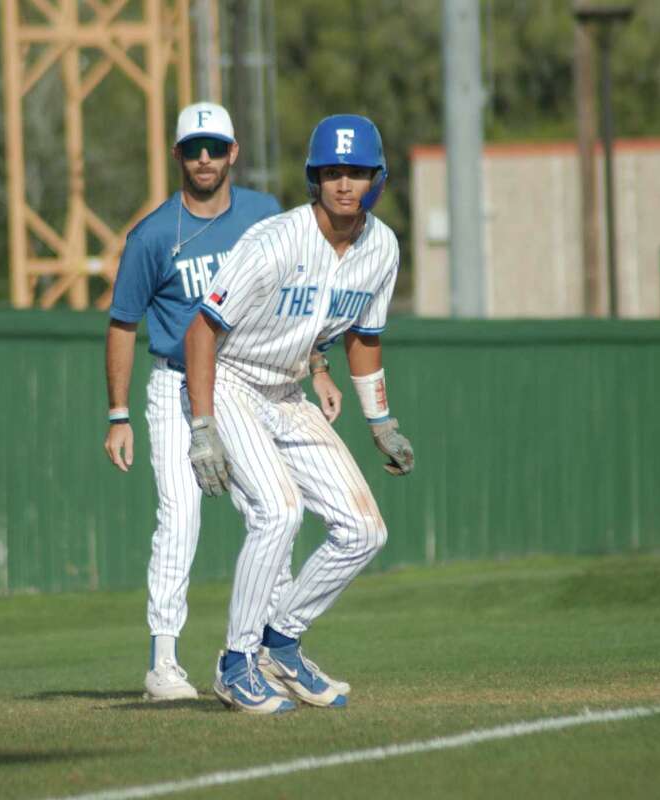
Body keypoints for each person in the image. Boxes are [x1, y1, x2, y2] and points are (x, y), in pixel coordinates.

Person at [104, 102, 344, 702]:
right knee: (180, 517)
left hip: (245, 382)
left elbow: (303, 294)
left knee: (274, 509)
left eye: (214, 147)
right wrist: (118, 415)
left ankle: (265, 650)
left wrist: (318, 366)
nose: (204, 158)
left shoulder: (267, 215)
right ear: (177, 155)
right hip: (175, 383)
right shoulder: (154, 234)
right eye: (193, 148)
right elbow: (122, 323)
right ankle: (164, 662)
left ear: (233, 152)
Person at [183, 114, 415, 714]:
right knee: (278, 512)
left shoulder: (382, 248)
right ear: (315, 177)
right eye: (332, 172)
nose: (344, 183)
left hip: (287, 391)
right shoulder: (276, 240)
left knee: (364, 530)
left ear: (376, 179)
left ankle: (279, 642)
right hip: (232, 380)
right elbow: (203, 329)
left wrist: (379, 421)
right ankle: (236, 664)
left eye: (356, 172)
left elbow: (365, 335)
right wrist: (203, 426)